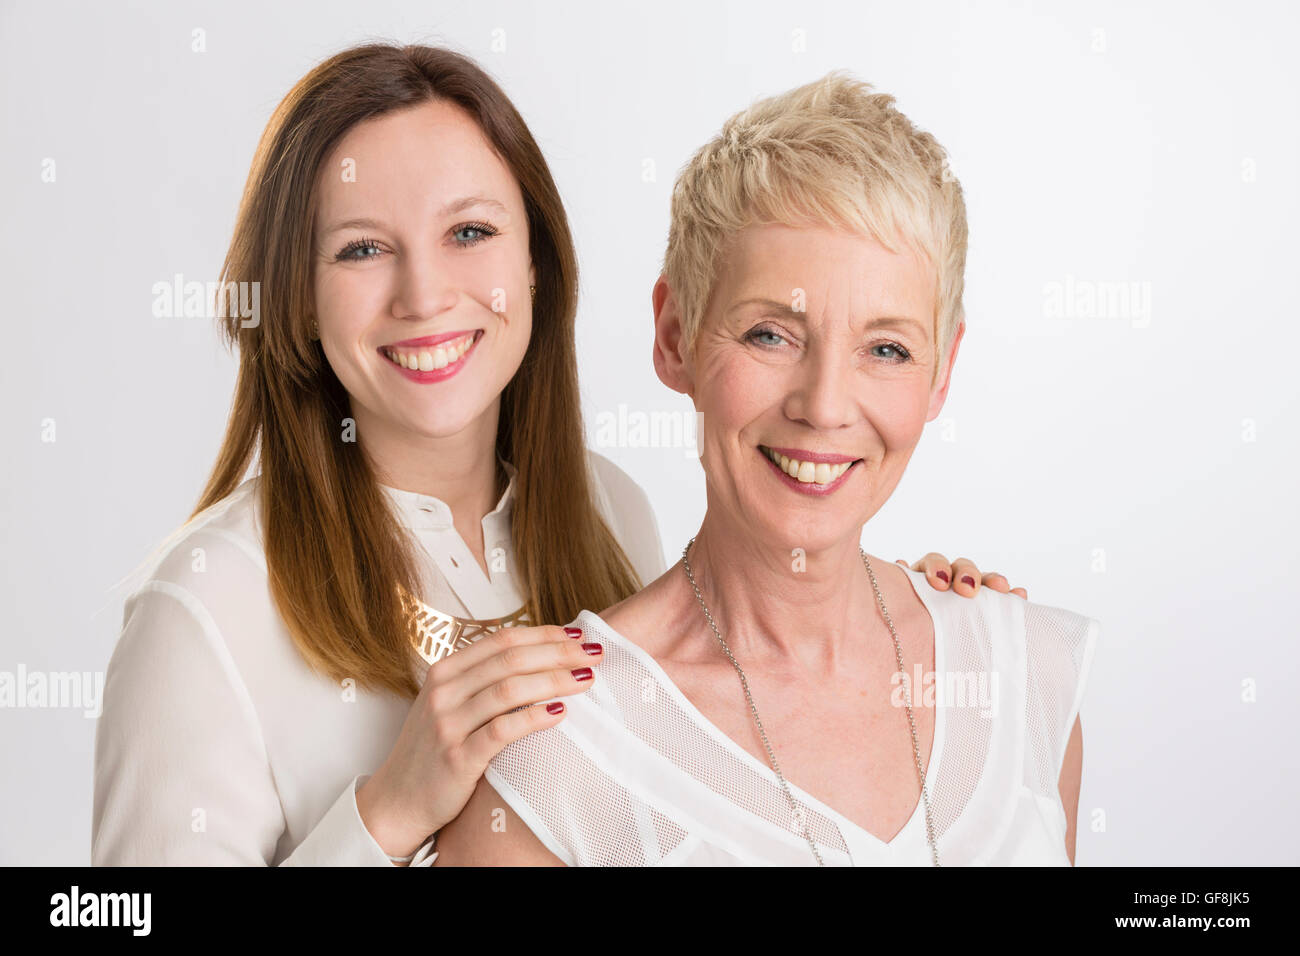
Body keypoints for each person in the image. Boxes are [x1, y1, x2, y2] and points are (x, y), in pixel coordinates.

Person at [91, 45, 1010, 867]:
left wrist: (896, 614)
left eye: (470, 233)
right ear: (294, 293)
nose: (426, 295)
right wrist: (386, 813)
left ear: (536, 262)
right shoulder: (205, 604)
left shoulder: (613, 511)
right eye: (363, 248)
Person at [434, 71, 1099, 866]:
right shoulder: (555, 764)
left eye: (886, 349)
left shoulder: (1026, 675)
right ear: (676, 336)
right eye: (771, 336)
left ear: (942, 374)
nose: (824, 406)